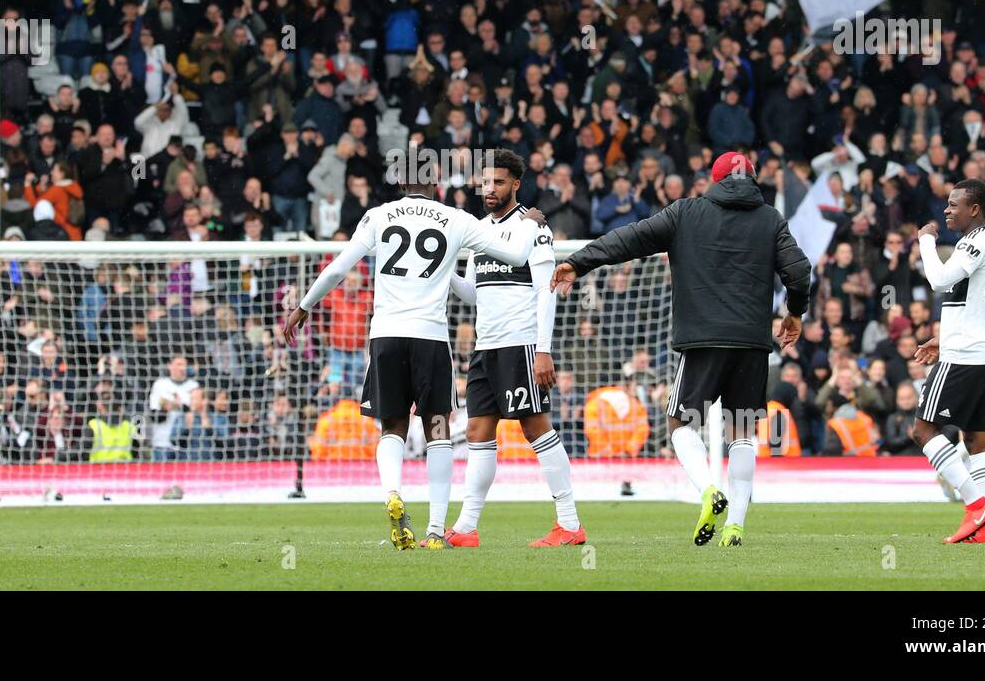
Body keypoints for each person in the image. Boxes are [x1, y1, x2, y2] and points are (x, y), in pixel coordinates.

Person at [552, 151, 811, 547]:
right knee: (742, 430)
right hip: (752, 344)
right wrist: (793, 314)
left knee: (680, 424)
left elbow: (630, 239)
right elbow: (799, 271)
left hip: (703, 340)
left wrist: (580, 262)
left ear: (715, 179)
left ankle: (709, 491)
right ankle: (737, 526)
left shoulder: (686, 213)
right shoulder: (770, 219)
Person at [283, 166, 544, 550]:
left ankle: (393, 493)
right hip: (430, 337)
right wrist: (529, 223)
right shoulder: (457, 219)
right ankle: (436, 529)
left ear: (401, 183)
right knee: (438, 430)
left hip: (386, 334)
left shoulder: (378, 215)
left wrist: (304, 306)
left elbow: (338, 268)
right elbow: (516, 253)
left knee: (392, 427)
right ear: (434, 182)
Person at [446, 149, 585, 547]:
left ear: (516, 185)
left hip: (521, 342)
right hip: (485, 345)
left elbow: (547, 290)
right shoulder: (478, 230)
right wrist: (447, 275)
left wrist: (544, 349)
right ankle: (468, 528)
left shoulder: (534, 227)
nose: (490, 189)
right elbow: (473, 292)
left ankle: (570, 523)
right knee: (477, 430)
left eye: (499, 182)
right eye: (486, 182)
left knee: (535, 426)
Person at [910, 177, 985, 544]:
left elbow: (937, 279)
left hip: (964, 357)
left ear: (975, 209)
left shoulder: (975, 243)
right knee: (978, 439)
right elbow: (976, 302)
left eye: (954, 205)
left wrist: (925, 239)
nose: (947, 210)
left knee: (922, 430)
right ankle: (983, 529)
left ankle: (976, 504)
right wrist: (943, 337)